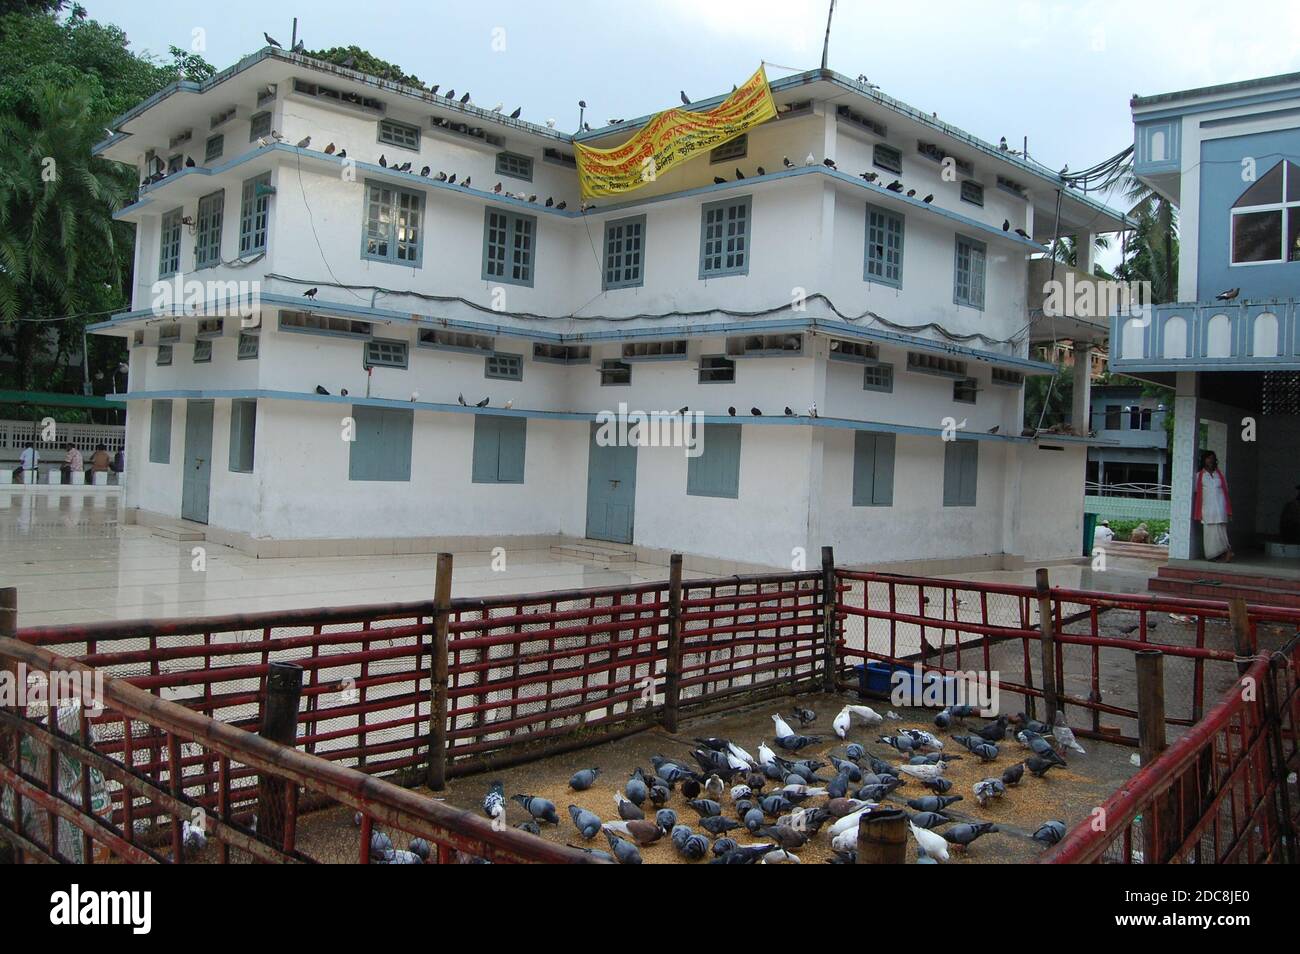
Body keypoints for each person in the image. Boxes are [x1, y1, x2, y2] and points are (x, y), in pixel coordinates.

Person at [1192, 450, 1233, 562]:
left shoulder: (1220, 475)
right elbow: (1196, 491)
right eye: (1208, 458)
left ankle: (1225, 552)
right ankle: (1212, 556)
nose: (1210, 460)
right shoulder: (1199, 476)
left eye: (1212, 458)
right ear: (1204, 460)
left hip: (1220, 508)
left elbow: (1226, 491)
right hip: (1207, 509)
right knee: (1209, 533)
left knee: (1221, 531)